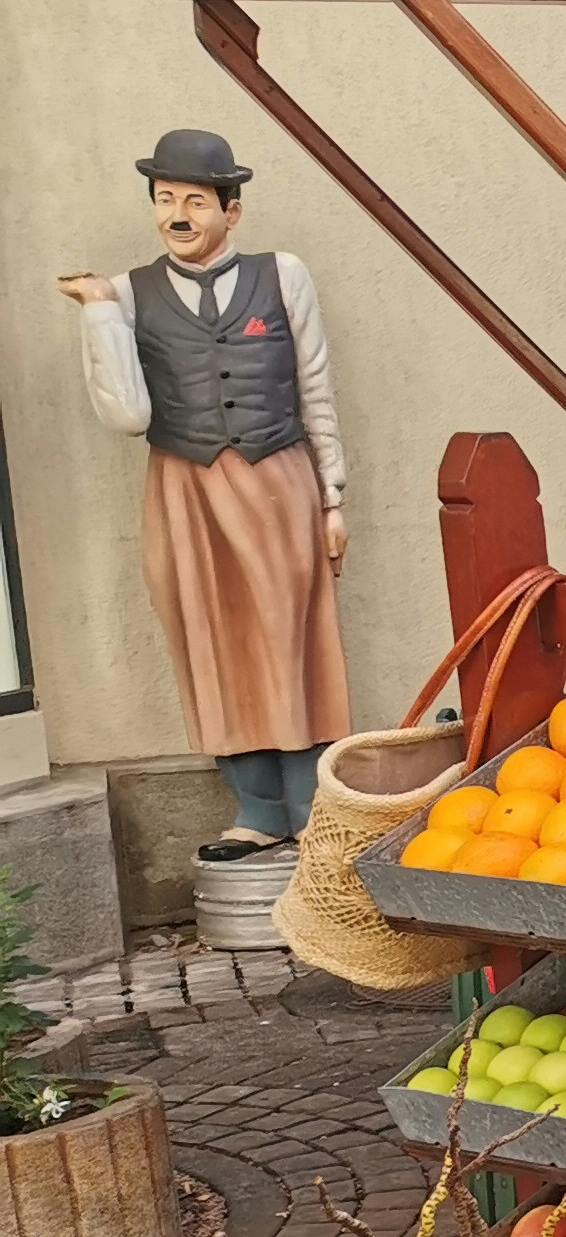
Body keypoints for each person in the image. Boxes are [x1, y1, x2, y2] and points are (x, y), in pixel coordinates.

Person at [58, 130, 352, 861]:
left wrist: (333, 497)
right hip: (183, 486)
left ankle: (311, 805)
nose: (177, 215)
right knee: (208, 637)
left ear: (233, 210)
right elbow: (127, 416)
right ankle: (255, 809)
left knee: (293, 632)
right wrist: (98, 311)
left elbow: (315, 385)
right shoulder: (129, 293)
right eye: (165, 200)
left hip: (278, 477)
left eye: (194, 200)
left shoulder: (282, 275)